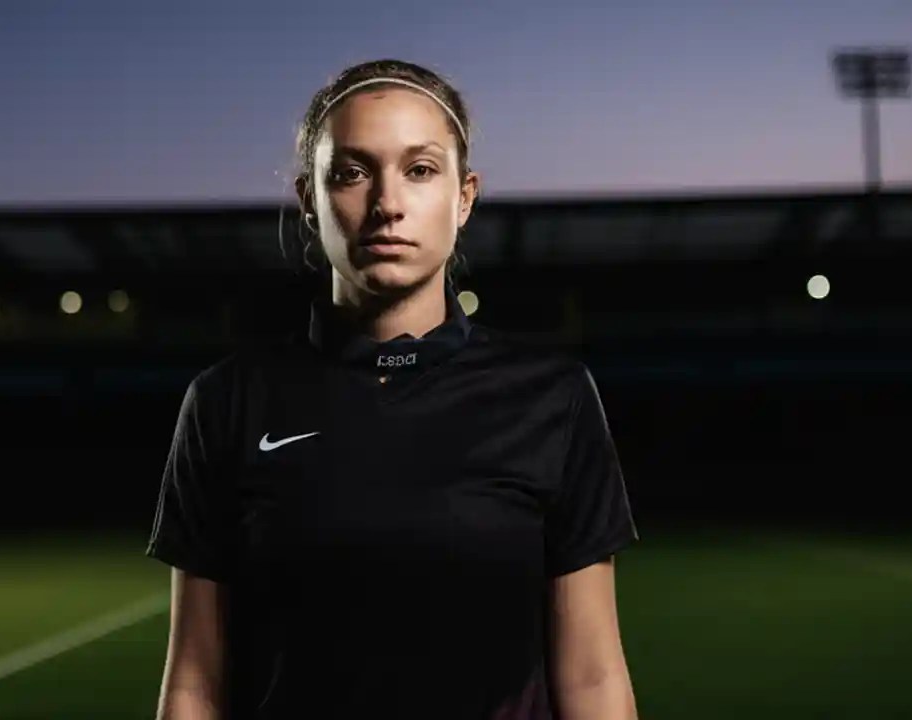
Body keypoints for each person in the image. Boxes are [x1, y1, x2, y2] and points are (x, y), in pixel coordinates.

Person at [147, 58, 640, 719]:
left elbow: (593, 676)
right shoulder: (227, 401)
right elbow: (194, 683)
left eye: (420, 169)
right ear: (309, 199)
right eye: (351, 173)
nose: (387, 204)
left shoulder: (553, 397)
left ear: (464, 197)